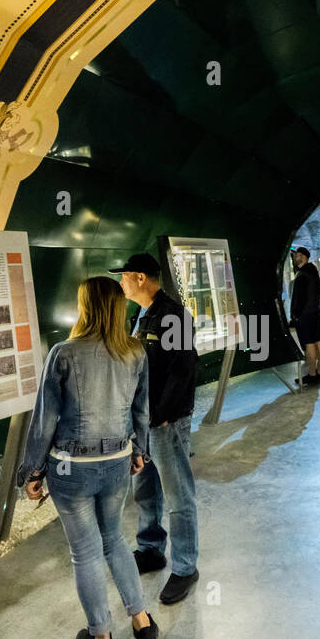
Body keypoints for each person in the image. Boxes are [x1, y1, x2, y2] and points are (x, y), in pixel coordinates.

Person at [18, 276, 158, 639]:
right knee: (114, 538)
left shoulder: (64, 353)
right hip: (118, 462)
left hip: (72, 468)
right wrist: (140, 452)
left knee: (86, 551)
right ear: (117, 308)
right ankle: (142, 624)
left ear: (86, 308)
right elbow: (141, 411)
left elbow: (45, 419)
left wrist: (33, 471)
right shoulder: (134, 353)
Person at [111, 253, 202, 605]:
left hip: (165, 422)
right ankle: (151, 550)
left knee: (178, 495)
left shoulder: (174, 315)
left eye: (124, 277)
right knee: (145, 490)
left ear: (140, 278)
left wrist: (162, 416)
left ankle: (185, 567)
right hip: (143, 423)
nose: (121, 283)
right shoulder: (142, 315)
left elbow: (184, 371)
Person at [289, 246, 320, 385]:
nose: (294, 258)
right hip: (315, 312)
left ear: (303, 257)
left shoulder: (303, 274)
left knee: (309, 344)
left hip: (305, 314)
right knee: (318, 340)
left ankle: (311, 374)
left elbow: (300, 298)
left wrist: (296, 315)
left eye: (296, 255)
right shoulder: (313, 271)